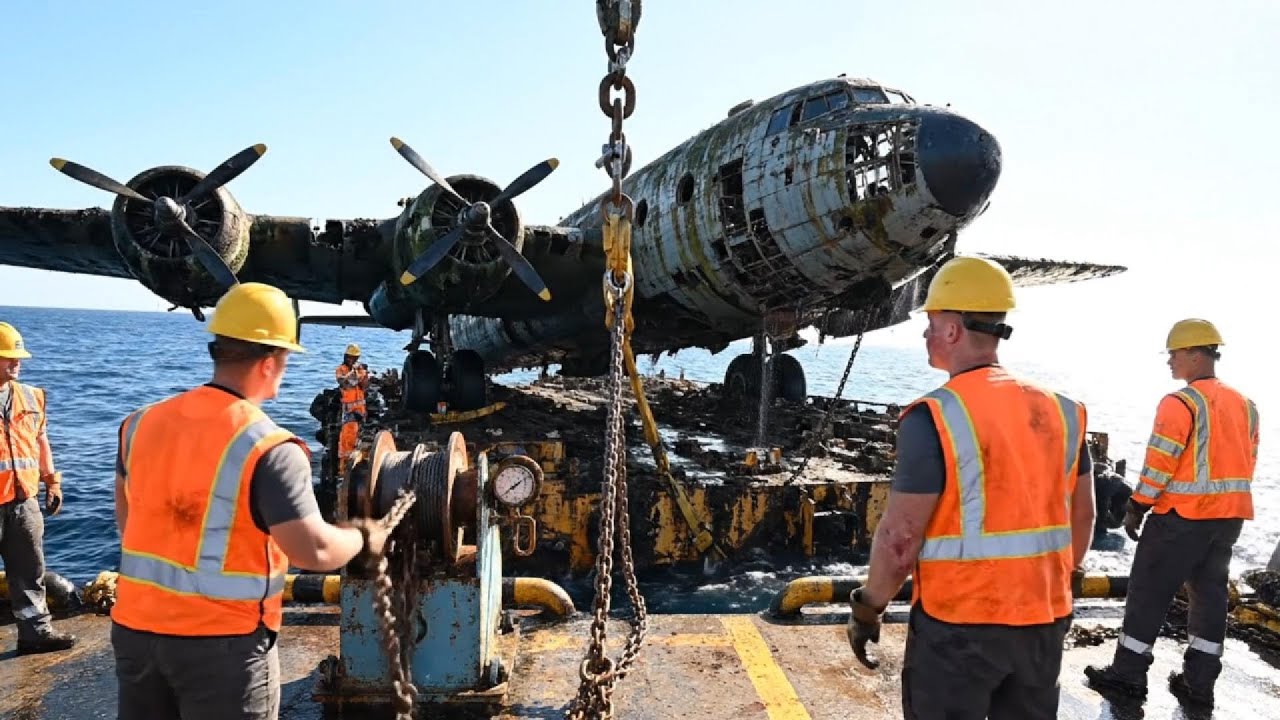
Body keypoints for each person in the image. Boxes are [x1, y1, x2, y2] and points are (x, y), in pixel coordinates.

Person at [110, 283, 391, 720]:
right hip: (222, 647)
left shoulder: (138, 424)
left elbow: (128, 527)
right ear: (268, 362)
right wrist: (361, 538)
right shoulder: (269, 447)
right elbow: (313, 551)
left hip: (134, 632)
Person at [845, 256, 1096, 719]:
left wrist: (869, 607)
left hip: (959, 630)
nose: (925, 333)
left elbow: (900, 538)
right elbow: (1084, 516)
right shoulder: (1064, 410)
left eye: (931, 323)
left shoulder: (934, 417)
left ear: (954, 331)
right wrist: (1061, 584)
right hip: (1043, 623)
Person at [1084, 318, 1258, 709]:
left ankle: (1127, 678)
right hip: (1227, 520)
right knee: (1210, 598)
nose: (1170, 362)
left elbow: (1160, 463)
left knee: (1148, 592)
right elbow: (1248, 462)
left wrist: (1138, 506)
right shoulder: (1246, 406)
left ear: (1196, 355)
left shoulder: (1180, 403)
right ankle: (1199, 684)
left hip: (1181, 517)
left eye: (1174, 354)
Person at [0, 321, 77, 655]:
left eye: (18, 356)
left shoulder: (32, 397)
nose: (17, 362)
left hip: (22, 501)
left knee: (30, 570)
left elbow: (41, 440)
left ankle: (35, 634)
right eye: (7, 357)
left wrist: (52, 482)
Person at [335, 343, 370, 472]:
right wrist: (356, 373)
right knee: (346, 440)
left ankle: (356, 463)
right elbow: (345, 383)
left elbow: (364, 386)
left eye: (355, 358)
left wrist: (364, 375)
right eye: (350, 357)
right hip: (349, 412)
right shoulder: (341, 370)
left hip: (360, 410)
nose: (353, 360)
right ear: (346, 357)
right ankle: (344, 468)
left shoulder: (359, 369)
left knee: (359, 438)